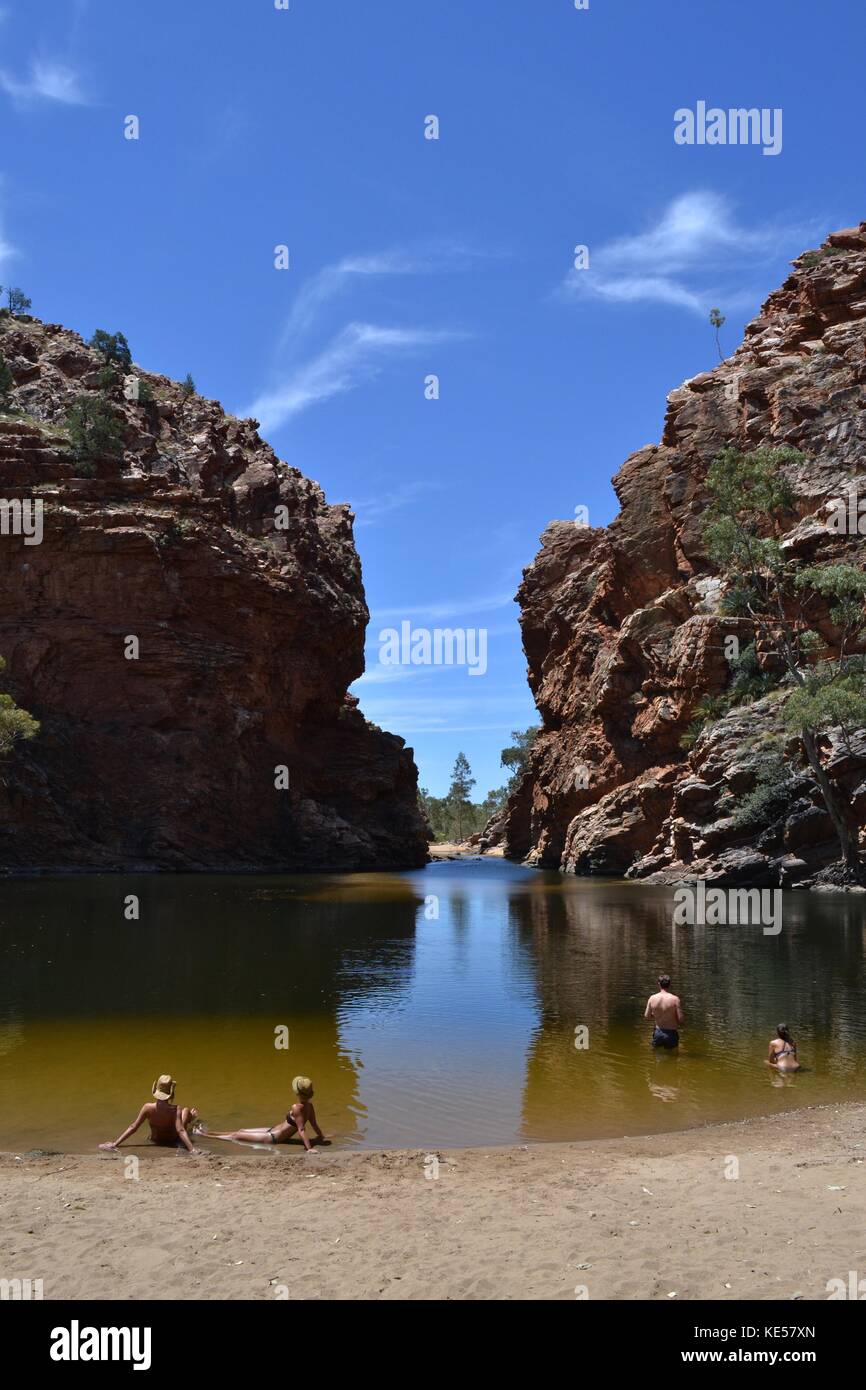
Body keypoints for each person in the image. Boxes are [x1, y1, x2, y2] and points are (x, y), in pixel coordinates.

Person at [202, 1076, 329, 1153]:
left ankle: (204, 1135)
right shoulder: (310, 1107)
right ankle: (208, 1133)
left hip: (272, 1138)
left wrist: (309, 1148)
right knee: (241, 1131)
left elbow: (302, 1129)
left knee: (236, 1136)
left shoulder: (296, 1108)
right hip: (272, 1130)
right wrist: (321, 1137)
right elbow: (314, 1125)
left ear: (297, 1093)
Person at [99, 1074, 200, 1154]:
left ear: (156, 1090)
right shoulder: (176, 1109)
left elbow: (134, 1127)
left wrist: (115, 1144)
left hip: (155, 1140)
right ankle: (192, 1116)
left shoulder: (147, 1107)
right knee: (186, 1111)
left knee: (184, 1113)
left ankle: (191, 1116)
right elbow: (180, 1130)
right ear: (171, 1093)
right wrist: (192, 1149)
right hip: (171, 1140)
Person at [644, 974, 684, 1048]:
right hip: (671, 1033)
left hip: (658, 1032)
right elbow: (681, 1020)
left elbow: (647, 1016)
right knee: (673, 1057)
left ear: (659, 984)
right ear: (669, 984)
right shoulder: (675, 999)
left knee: (656, 1056)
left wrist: (656, 1014)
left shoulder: (652, 998)